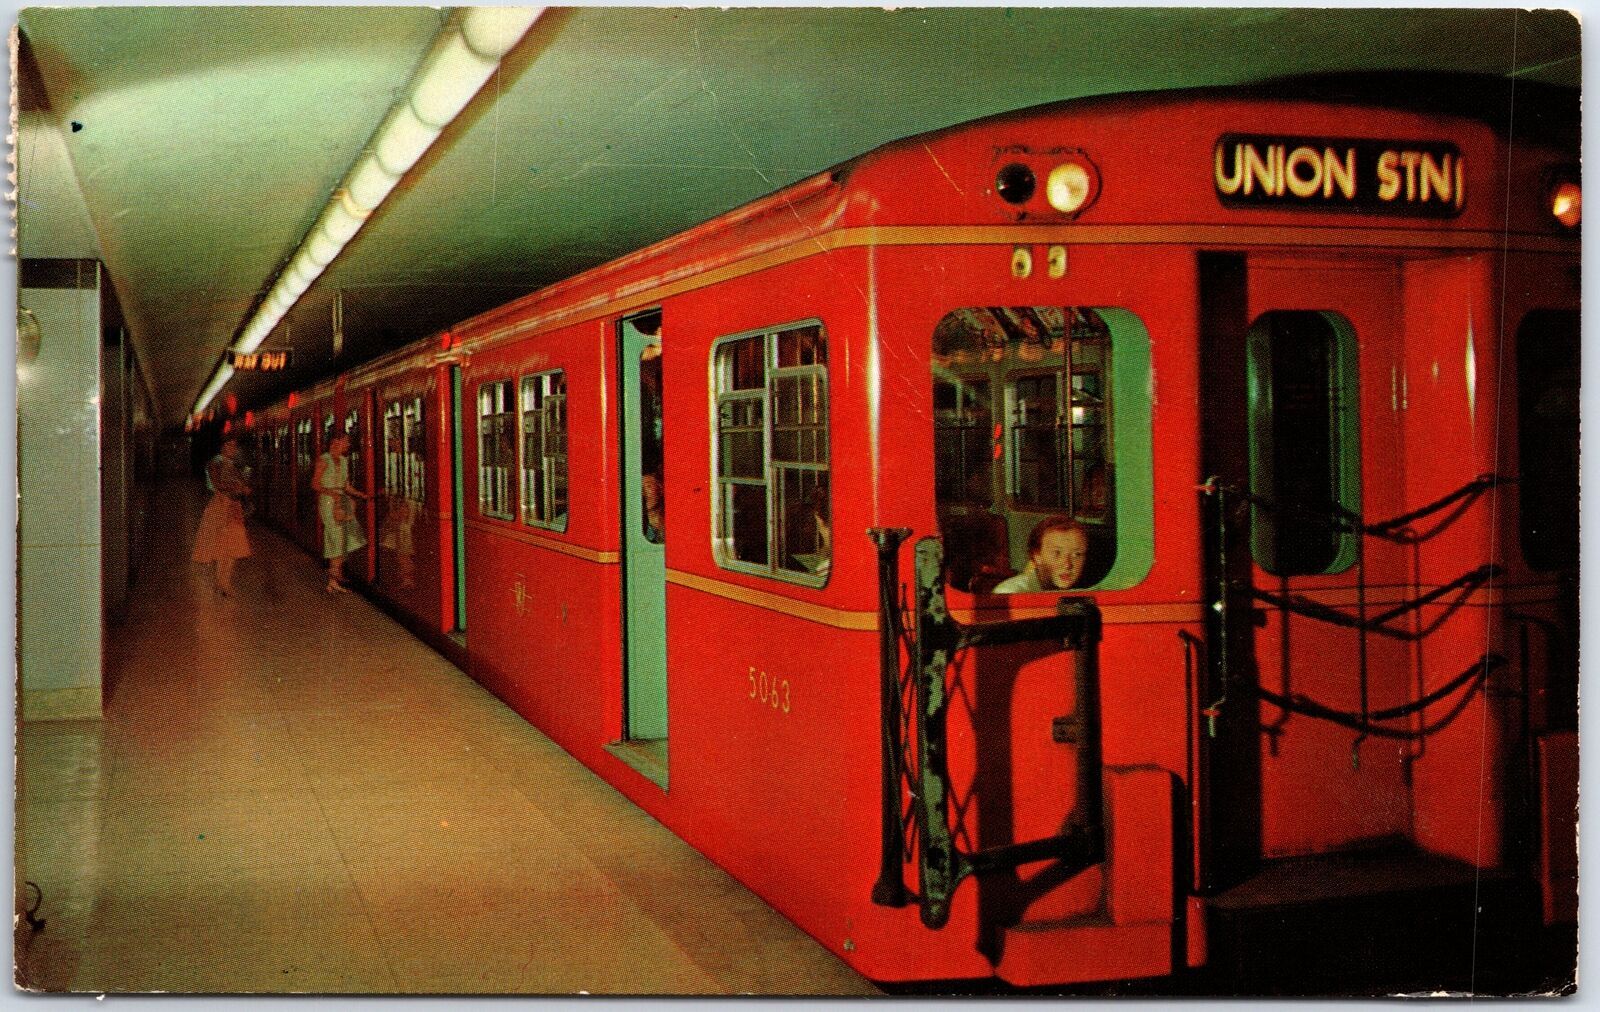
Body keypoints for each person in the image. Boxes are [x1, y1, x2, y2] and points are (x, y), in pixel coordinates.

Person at [191, 438, 252, 596]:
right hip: (221, 506)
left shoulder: (233, 464)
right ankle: (222, 583)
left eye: (234, 446)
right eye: (229, 445)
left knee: (232, 546)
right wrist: (239, 487)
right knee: (223, 546)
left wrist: (242, 488)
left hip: (233, 507)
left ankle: (223, 582)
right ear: (222, 447)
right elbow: (217, 484)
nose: (232, 448)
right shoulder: (216, 463)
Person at [313, 433, 369, 593]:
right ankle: (334, 576)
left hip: (341, 501)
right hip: (329, 502)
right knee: (336, 537)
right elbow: (315, 484)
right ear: (335, 442)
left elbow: (346, 486)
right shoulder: (323, 460)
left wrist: (361, 494)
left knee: (343, 538)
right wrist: (332, 494)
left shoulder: (344, 461)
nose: (348, 445)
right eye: (346, 442)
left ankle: (333, 581)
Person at [994, 516, 1089, 593]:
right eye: (1057, 553)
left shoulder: (1085, 595)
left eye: (1077, 554)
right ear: (1037, 555)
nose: (1068, 565)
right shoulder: (1011, 593)